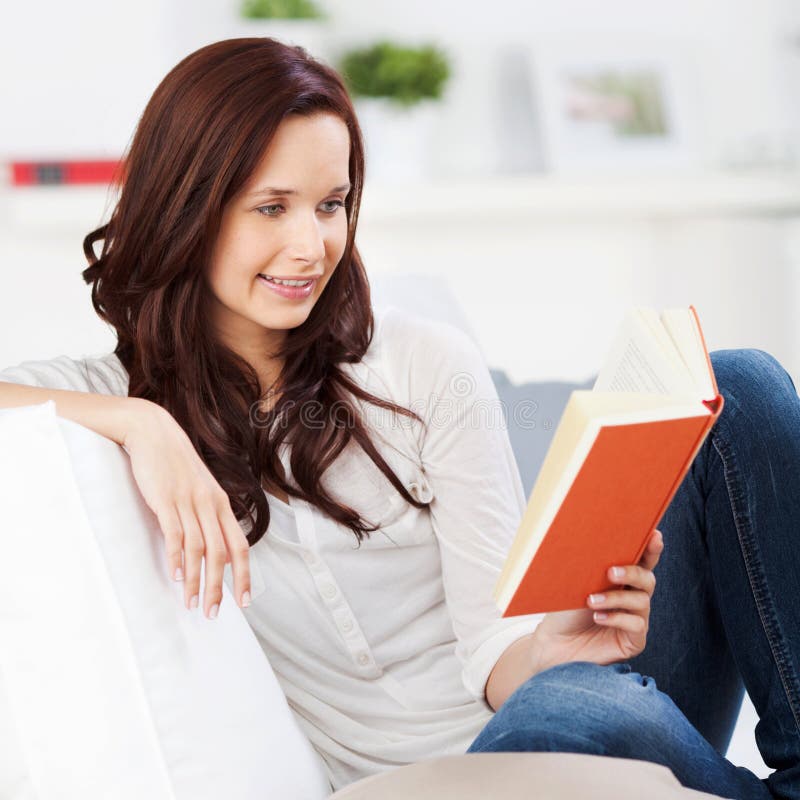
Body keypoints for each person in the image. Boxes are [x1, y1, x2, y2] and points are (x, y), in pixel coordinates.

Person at [0, 37, 798, 800]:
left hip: (530, 714)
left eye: (332, 204)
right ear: (189, 208)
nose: (312, 245)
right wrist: (143, 424)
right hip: (414, 785)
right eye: (272, 207)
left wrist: (551, 654)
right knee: (586, 710)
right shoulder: (113, 395)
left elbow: (493, 647)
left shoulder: (423, 364)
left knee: (738, 384)